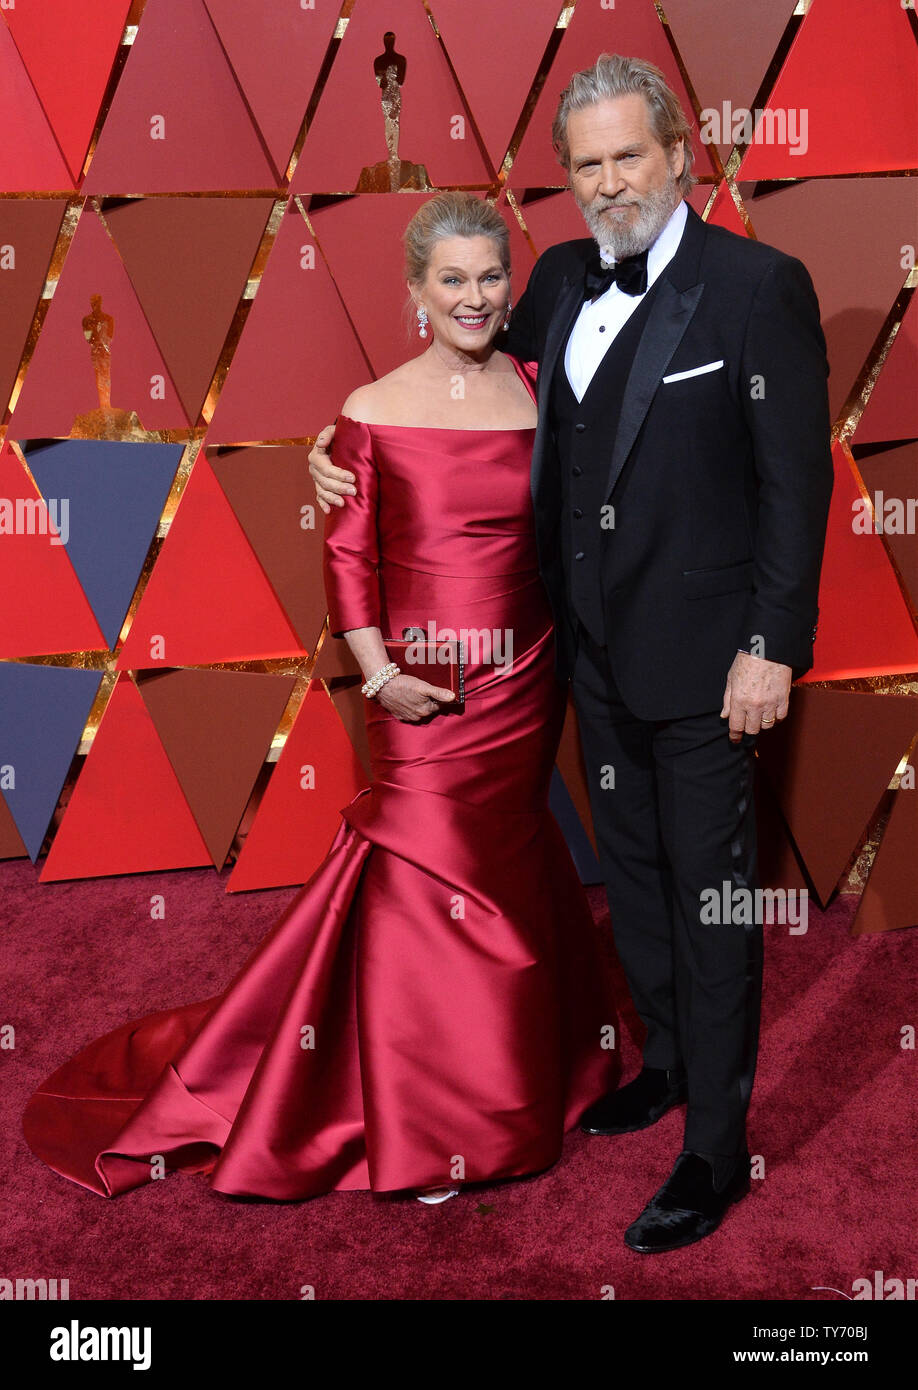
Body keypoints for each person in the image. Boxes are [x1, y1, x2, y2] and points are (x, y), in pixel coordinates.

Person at [309, 54, 834, 1250]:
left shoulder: (759, 287)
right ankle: (658, 1065)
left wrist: (773, 646)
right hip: (584, 655)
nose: (607, 182)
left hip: (713, 665)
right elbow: (455, 376)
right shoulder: (550, 280)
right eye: (585, 163)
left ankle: (715, 1150)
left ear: (678, 155)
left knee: (707, 899)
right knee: (637, 884)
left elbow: (798, 488)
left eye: (626, 157)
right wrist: (330, 453)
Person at [22, 192, 618, 1207]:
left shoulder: (537, 386)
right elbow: (347, 566)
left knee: (508, 865)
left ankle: (517, 1073)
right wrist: (381, 675)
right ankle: (438, 1118)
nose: (473, 297)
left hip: (526, 674)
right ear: (415, 290)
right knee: (433, 874)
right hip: (416, 682)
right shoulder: (371, 409)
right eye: (451, 280)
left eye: (488, 278)